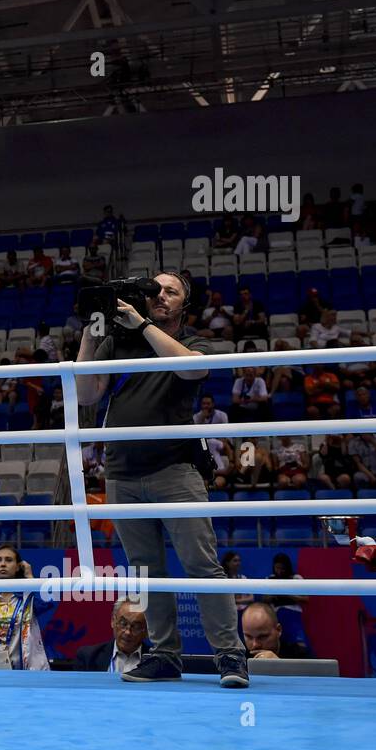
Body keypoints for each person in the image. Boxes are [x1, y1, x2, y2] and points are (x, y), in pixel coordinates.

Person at [74, 270, 249, 687]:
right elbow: (85, 394)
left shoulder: (191, 340)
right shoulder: (118, 343)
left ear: (183, 305)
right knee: (145, 572)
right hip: (121, 472)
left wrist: (144, 325)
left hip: (176, 470)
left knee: (201, 566)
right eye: (156, 290)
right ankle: (166, 656)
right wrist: (90, 327)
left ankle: (230, 656)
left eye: (172, 291)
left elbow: (192, 373)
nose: (162, 296)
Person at [73, 599, 148, 674]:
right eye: (123, 623)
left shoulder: (155, 660)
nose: (128, 632)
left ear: (146, 630)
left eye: (136, 627)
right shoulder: (88, 657)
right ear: (113, 621)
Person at [264, 553, 310, 648]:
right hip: (276, 615)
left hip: (293, 614)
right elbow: (265, 598)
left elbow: (306, 598)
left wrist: (288, 595)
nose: (279, 571)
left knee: (299, 646)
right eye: (277, 568)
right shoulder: (269, 579)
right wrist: (274, 596)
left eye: (282, 568)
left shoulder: (296, 578)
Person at [241, 602, 311, 660]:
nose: (255, 644)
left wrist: (279, 666)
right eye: (249, 637)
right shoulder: (238, 657)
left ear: (278, 630)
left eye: (262, 637)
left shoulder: (300, 656)